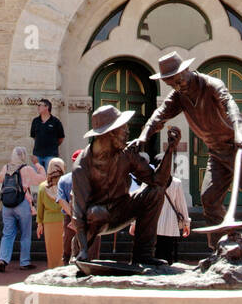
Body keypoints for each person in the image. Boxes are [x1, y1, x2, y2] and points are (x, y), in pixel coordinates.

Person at [129, 52, 242, 256]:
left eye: (178, 80)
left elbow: (231, 106)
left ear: (185, 70)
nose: (177, 86)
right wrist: (144, 135)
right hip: (216, 152)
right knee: (209, 198)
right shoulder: (178, 96)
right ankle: (220, 248)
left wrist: (239, 132)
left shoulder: (211, 84)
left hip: (237, 147)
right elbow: (160, 114)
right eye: (171, 83)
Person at [71, 105, 181, 266]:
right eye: (124, 129)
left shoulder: (126, 154)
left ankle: (143, 255)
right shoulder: (82, 165)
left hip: (122, 209)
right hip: (96, 218)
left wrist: (170, 150)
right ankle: (79, 251)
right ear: (110, 133)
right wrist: (83, 250)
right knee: (97, 212)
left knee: (155, 191)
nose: (128, 133)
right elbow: (78, 214)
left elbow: (158, 181)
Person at [0, 146, 42, 273]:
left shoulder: (6, 167)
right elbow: (42, 179)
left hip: (7, 205)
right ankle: (24, 261)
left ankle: (3, 259)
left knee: (7, 233)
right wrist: (38, 165)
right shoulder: (26, 169)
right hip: (22, 203)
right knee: (25, 234)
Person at [154, 152, 191, 265]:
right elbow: (181, 205)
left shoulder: (150, 181)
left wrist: (135, 224)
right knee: (168, 252)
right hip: (170, 224)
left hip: (154, 222)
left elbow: (141, 203)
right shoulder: (176, 183)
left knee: (155, 252)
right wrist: (186, 223)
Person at [35, 157, 66, 268]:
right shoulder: (65, 184)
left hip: (48, 222)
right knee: (63, 248)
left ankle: (52, 268)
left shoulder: (42, 187)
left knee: (51, 249)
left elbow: (40, 207)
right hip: (63, 220)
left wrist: (39, 223)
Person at [57, 149, 84, 264]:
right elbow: (61, 200)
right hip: (83, 216)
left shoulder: (64, 179)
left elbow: (61, 200)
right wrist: (75, 217)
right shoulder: (65, 179)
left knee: (68, 242)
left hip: (73, 215)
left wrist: (73, 216)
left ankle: (66, 263)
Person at [30, 99, 64, 171]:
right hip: (37, 155)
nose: (38, 107)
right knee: (37, 178)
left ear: (47, 107)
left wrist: (53, 145)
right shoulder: (35, 121)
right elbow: (34, 136)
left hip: (51, 155)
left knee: (50, 177)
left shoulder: (56, 122)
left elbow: (61, 138)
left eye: (39, 105)